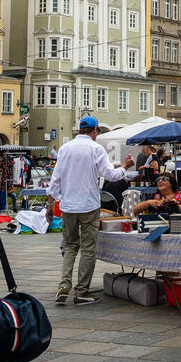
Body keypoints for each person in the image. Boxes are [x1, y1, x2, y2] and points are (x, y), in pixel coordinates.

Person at [47, 116, 134, 305]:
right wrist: (125, 167)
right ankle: (81, 291)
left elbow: (55, 179)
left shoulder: (65, 148)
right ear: (95, 130)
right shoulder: (96, 149)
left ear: (80, 130)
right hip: (88, 205)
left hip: (68, 206)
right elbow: (110, 174)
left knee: (70, 246)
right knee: (88, 248)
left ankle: (64, 284)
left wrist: (49, 205)